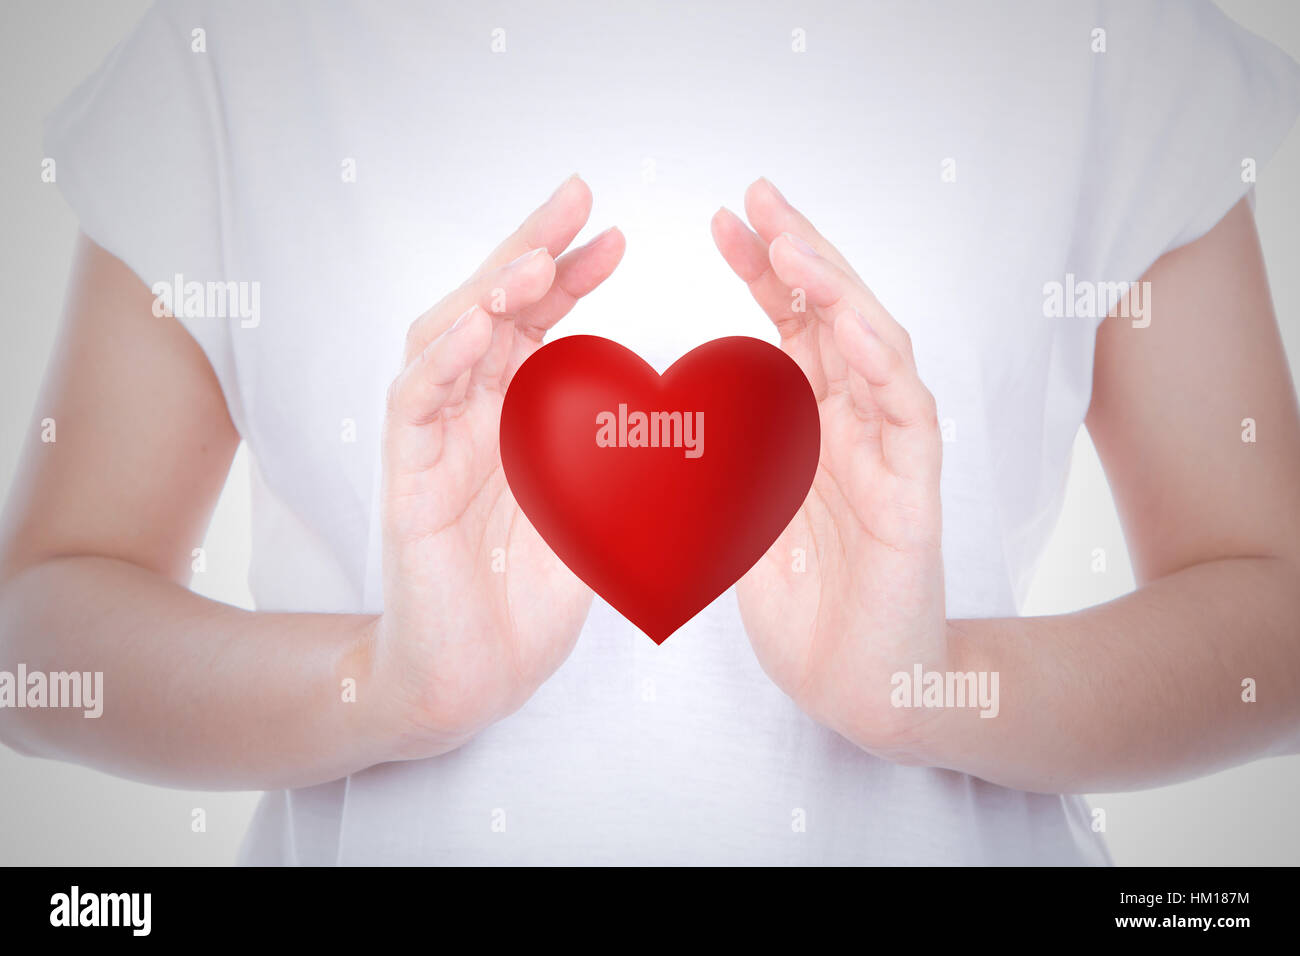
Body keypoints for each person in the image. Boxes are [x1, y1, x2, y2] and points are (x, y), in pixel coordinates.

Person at [2, 0, 1299, 865]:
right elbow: (39, 631)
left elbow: (1273, 615)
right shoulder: (243, 39)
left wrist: (929, 688)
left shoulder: (1095, 33)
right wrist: (387, 689)